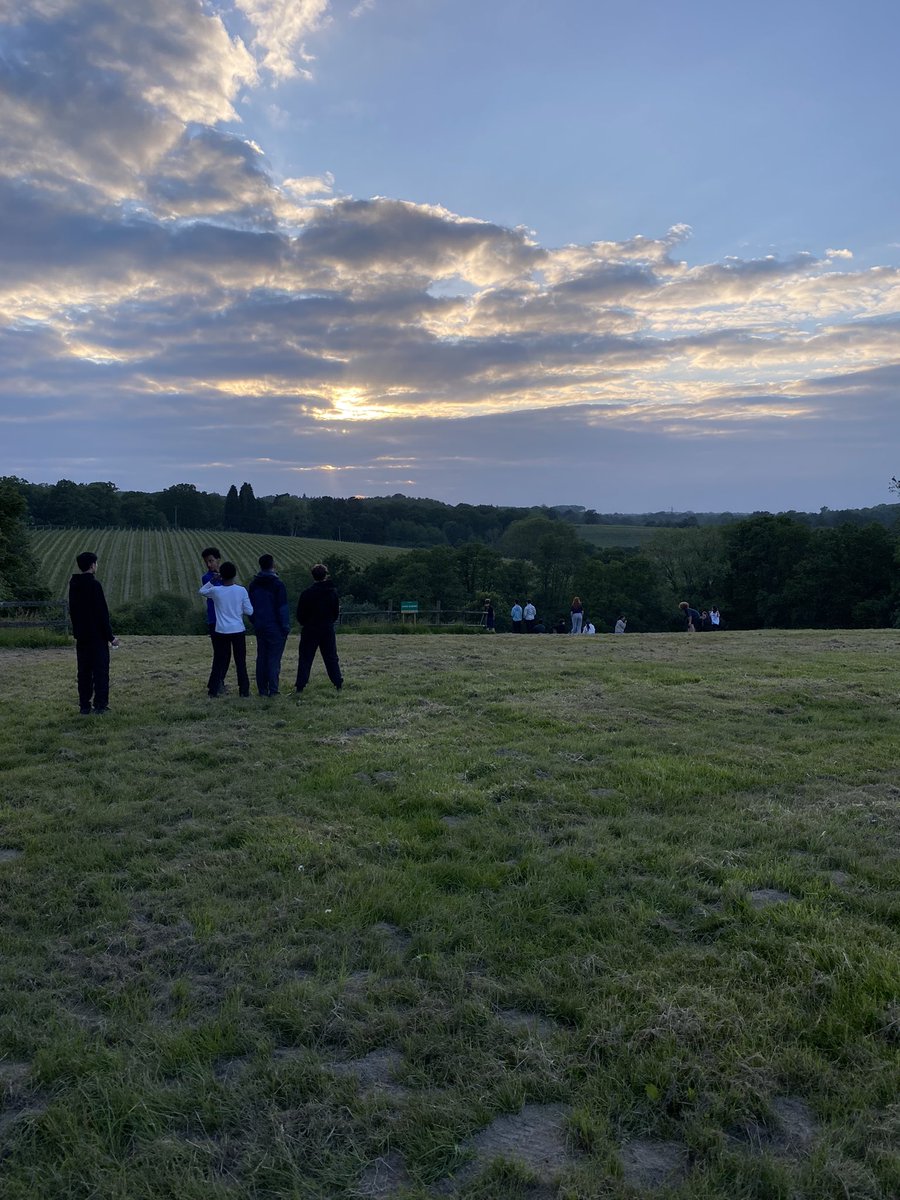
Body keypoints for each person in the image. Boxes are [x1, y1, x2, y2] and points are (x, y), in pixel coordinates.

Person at [68, 552, 118, 715]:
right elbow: (102, 613)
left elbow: (73, 611)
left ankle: (84, 705)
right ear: (92, 565)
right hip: (97, 636)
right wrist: (111, 637)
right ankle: (100, 705)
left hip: (81, 635)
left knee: (83, 671)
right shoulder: (94, 585)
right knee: (100, 671)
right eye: (96, 563)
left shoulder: (74, 584)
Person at [199, 562, 253, 697]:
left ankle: (213, 690)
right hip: (238, 630)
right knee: (240, 661)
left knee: (219, 660)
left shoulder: (216, 591)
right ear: (235, 575)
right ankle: (244, 691)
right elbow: (249, 611)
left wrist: (212, 581)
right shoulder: (241, 590)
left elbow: (202, 591)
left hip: (221, 630)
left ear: (221, 575)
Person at [294, 563, 343, 696]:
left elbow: (300, 614)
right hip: (327, 628)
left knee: (305, 658)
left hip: (310, 629)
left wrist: (306, 623)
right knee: (331, 657)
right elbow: (335, 612)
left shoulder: (307, 593)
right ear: (326, 575)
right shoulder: (332, 592)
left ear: (313, 576)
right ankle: (338, 682)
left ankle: (300, 685)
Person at [248, 554, 291, 696]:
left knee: (261, 658)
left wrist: (255, 621)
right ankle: (273, 690)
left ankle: (262, 689)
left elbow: (249, 607)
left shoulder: (254, 584)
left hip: (260, 625)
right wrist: (285, 627)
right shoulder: (278, 584)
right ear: (273, 565)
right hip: (275, 627)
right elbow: (282, 608)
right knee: (273, 659)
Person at [200, 546, 224, 692]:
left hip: (224, 619)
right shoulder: (208, 578)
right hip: (214, 620)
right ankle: (215, 685)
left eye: (211, 561)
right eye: (206, 562)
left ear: (218, 560)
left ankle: (216, 682)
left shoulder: (223, 577)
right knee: (220, 654)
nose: (209, 565)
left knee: (224, 654)